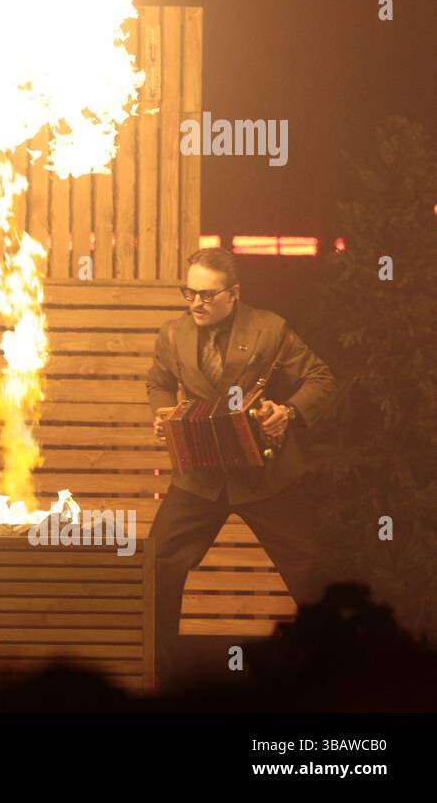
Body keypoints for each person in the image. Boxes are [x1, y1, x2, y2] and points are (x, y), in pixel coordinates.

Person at [147, 247, 337, 684]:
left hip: (265, 475)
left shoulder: (270, 329)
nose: (196, 303)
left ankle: (337, 665)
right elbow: (158, 384)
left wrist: (287, 412)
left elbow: (322, 379)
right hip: (200, 475)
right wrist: (163, 413)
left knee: (308, 570)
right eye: (189, 293)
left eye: (207, 295)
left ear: (234, 293)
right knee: (158, 565)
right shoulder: (171, 335)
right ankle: (158, 671)